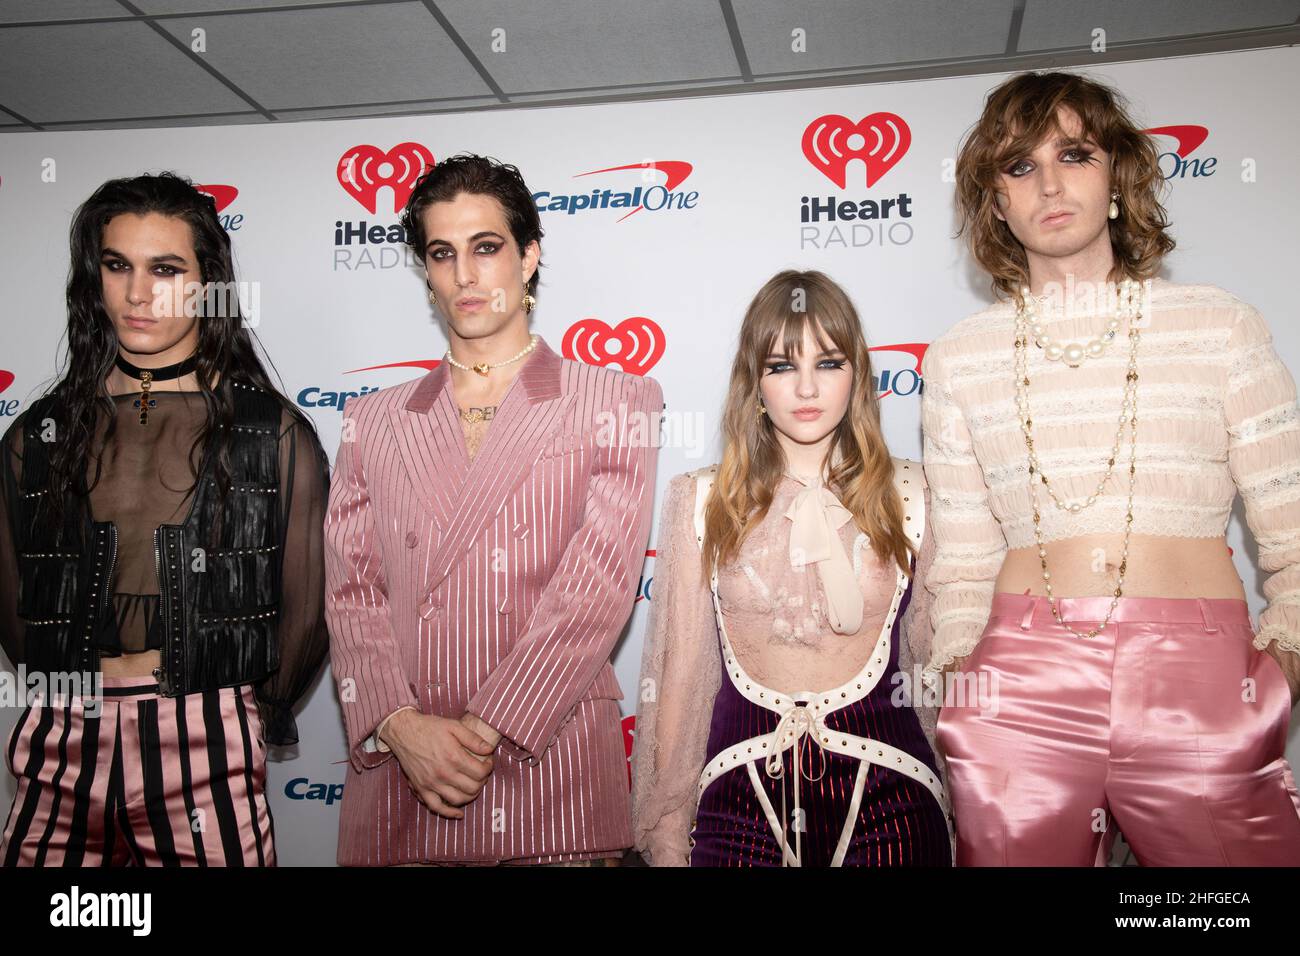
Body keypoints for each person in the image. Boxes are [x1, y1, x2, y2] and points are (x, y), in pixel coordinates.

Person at [923, 70, 1300, 865]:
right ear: (995, 201)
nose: (1049, 184)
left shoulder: (1219, 326)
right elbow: (961, 561)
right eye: (1018, 168)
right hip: (1020, 685)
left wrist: (1282, 668)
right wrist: (961, 676)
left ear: (1118, 175)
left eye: (1075, 154)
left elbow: (1293, 532)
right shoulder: (960, 357)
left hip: (1200, 682)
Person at [325, 153, 662, 866]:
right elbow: (351, 592)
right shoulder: (372, 421)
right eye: (442, 254)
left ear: (530, 256)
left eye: (487, 248)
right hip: (404, 775)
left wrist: (482, 730)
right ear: (425, 270)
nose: (466, 276)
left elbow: (598, 587)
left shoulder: (614, 400)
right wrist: (403, 727)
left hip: (550, 765)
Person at [0, 173, 330, 866]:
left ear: (208, 283)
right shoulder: (39, 433)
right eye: (117, 266)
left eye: (166, 269)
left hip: (207, 728)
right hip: (61, 727)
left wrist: (237, 711)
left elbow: (304, 616)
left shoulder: (271, 434)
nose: (138, 293)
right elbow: (16, 610)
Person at [631, 270, 951, 867]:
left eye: (828, 362)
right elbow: (680, 678)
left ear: (857, 376)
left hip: (895, 802)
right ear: (754, 383)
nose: (807, 387)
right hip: (736, 807)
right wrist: (670, 827)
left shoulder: (917, 492)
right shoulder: (701, 499)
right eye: (781, 366)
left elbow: (936, 669)